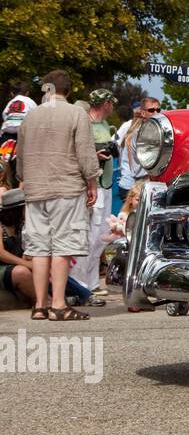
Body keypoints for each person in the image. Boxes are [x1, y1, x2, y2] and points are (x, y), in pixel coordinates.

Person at [15, 70, 100, 321]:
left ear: (45, 90)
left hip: (35, 188)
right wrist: (92, 182)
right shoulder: (76, 113)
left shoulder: (30, 116)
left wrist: (24, 178)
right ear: (69, 90)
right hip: (66, 187)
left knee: (39, 248)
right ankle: (59, 304)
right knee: (62, 247)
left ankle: (40, 305)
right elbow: (85, 153)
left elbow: (20, 157)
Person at [71, 88, 117, 298]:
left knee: (101, 235)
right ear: (106, 103)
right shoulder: (85, 123)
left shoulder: (104, 124)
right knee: (90, 234)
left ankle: (91, 281)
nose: (113, 106)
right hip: (94, 184)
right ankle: (81, 282)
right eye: (111, 103)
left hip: (105, 184)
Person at [116, 96, 160, 204]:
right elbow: (136, 170)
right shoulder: (139, 134)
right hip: (133, 187)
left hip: (139, 185)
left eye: (158, 110)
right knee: (131, 219)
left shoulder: (152, 133)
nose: (156, 112)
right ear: (143, 113)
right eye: (151, 110)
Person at [0, 188, 35, 304]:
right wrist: (26, 263)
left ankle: (81, 294)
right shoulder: (1, 226)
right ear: (17, 210)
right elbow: (1, 254)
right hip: (3, 267)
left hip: (15, 264)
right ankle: (46, 301)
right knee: (22, 272)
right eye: (26, 208)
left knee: (43, 264)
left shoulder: (20, 226)